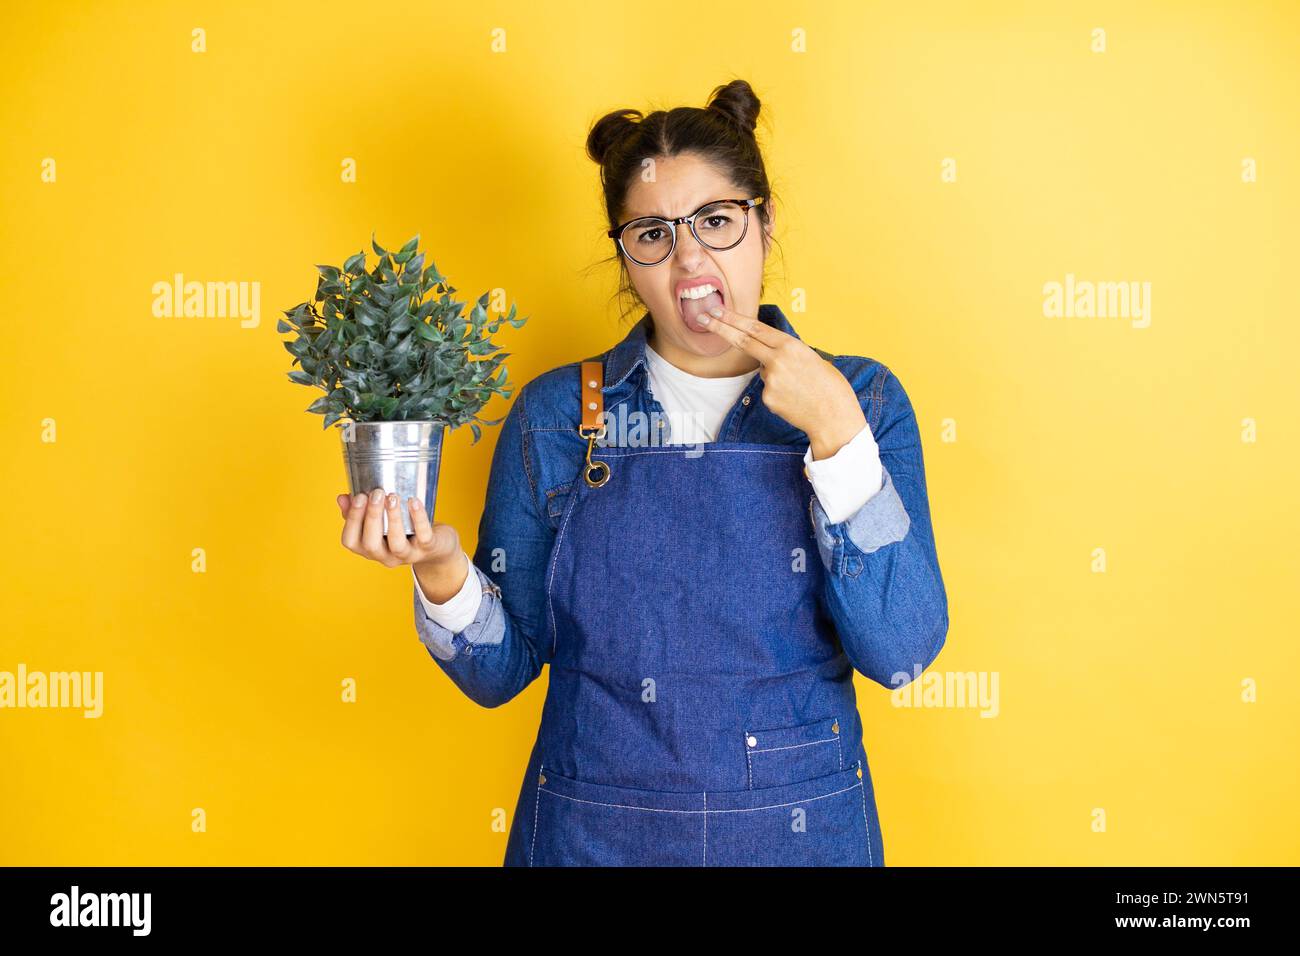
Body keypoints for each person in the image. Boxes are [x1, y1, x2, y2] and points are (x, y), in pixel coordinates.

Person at [337, 79, 949, 866]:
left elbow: (901, 649)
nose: (690, 259)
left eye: (717, 222)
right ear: (626, 258)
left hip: (799, 831)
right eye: (654, 235)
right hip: (593, 829)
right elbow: (500, 675)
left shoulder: (861, 399)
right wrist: (442, 569)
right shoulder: (558, 414)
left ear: (764, 224)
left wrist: (836, 434)